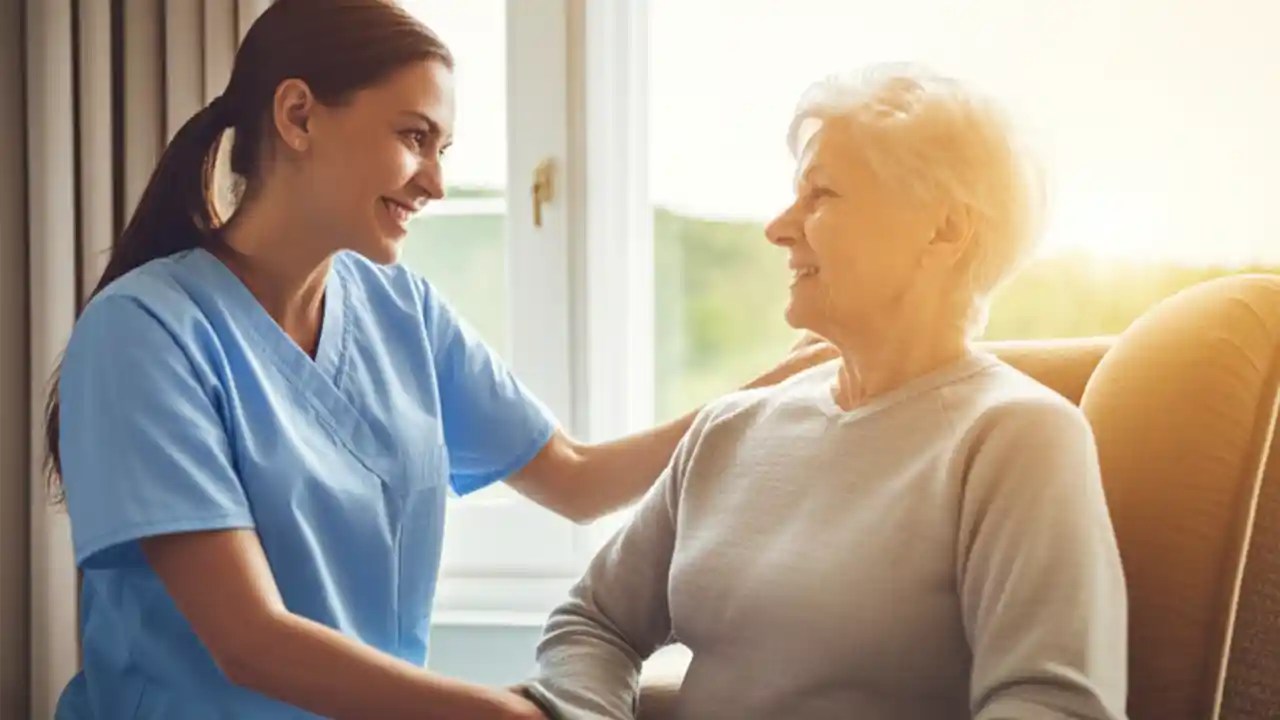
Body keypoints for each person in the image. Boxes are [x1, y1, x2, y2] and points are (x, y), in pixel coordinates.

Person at [46, 2, 832, 718]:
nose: (437, 183)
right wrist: (500, 713)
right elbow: (249, 641)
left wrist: (765, 391)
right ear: (297, 116)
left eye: (442, 148)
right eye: (414, 138)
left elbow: (578, 479)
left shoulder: (403, 312)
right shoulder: (143, 333)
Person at [525, 65, 1129, 720]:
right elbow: (593, 623)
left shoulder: (1020, 438)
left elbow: (1052, 704)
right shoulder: (729, 429)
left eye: (821, 195)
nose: (778, 227)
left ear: (945, 230)